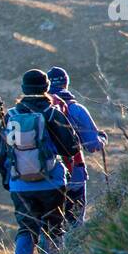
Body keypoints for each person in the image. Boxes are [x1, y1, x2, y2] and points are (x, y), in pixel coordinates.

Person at [0, 69, 80, 254]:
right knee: (54, 228)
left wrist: (7, 179)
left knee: (26, 228)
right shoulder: (52, 114)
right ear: (46, 88)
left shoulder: (10, 117)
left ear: (23, 89)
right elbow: (71, 148)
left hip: (20, 185)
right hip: (53, 183)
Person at [46, 66, 107, 229]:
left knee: (50, 227)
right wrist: (102, 138)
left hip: (45, 175)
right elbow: (92, 145)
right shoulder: (76, 109)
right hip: (74, 174)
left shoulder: (39, 111)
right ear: (66, 84)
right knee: (74, 225)